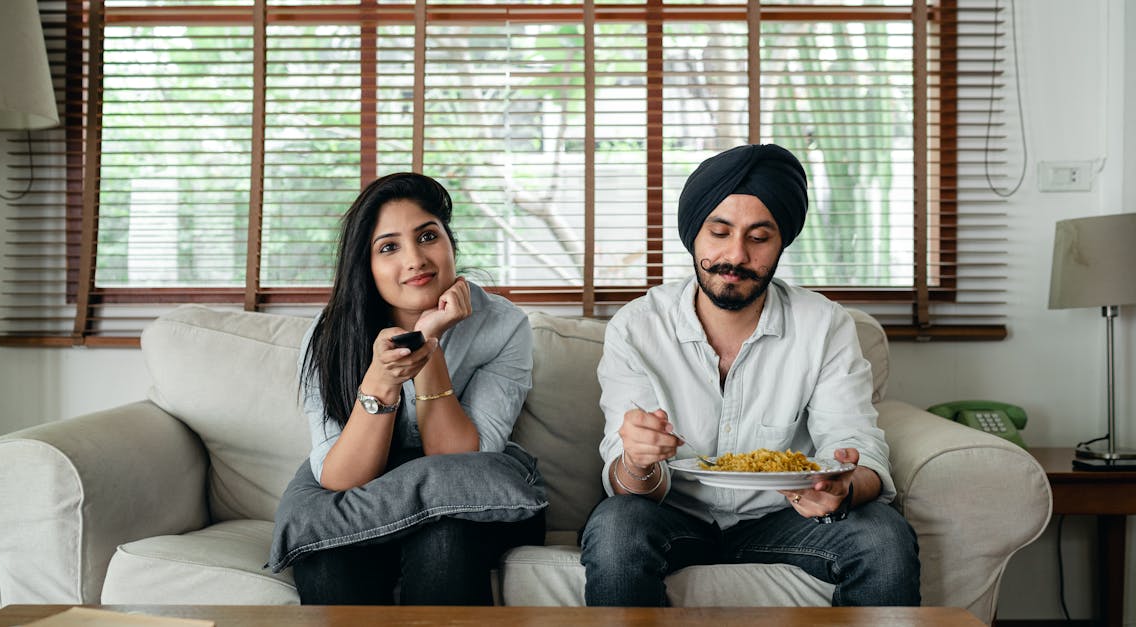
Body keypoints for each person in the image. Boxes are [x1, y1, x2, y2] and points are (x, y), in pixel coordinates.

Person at [579, 144, 921, 607]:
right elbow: (626, 481)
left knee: (883, 535)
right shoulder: (637, 328)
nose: (735, 256)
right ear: (693, 235)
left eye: (759, 238)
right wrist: (637, 462)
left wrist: (843, 489)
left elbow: (856, 442)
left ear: (782, 242)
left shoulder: (825, 325)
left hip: (787, 517)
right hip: (673, 517)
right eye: (719, 232)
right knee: (617, 523)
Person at [289, 172, 543, 605]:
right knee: (327, 552)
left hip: (467, 493)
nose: (415, 259)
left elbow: (458, 464)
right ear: (366, 266)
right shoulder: (330, 332)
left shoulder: (502, 325)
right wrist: (381, 381)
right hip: (362, 487)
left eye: (427, 236)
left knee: (444, 539)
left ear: (450, 242)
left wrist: (429, 347)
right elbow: (341, 478)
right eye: (389, 247)